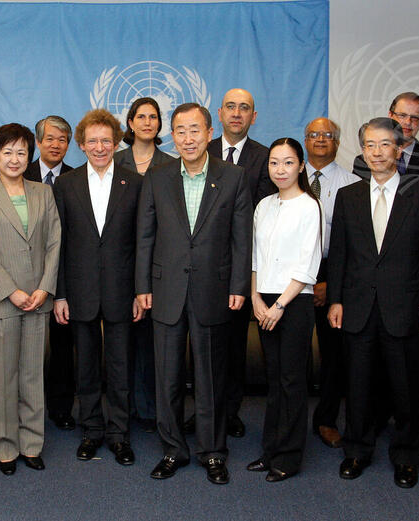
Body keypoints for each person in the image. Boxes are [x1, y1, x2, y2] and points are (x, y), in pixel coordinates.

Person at [136, 103, 252, 485]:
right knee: (167, 377)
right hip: (165, 291)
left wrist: (238, 286)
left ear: (208, 132)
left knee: (210, 379)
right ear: (173, 135)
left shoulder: (233, 177)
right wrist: (142, 287)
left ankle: (213, 452)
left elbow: (241, 238)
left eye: (195, 130)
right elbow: (145, 237)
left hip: (213, 291)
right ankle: (173, 449)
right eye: (180, 131)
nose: (188, 138)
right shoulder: (157, 177)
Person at [328, 117, 419, 488]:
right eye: (369, 145)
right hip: (358, 307)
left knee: (406, 388)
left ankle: (407, 456)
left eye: (384, 145)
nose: (376, 152)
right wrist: (335, 301)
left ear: (398, 149)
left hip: (406, 308)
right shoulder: (348, 197)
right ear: (362, 150)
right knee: (358, 385)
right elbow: (340, 257)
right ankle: (357, 451)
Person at [0, 123, 61, 475]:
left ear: (30, 154)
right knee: (4, 378)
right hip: (1, 301)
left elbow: (54, 243)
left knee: (32, 376)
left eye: (21, 151)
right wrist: (13, 291)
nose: (15, 158)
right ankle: (5, 447)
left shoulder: (43, 193)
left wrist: (43, 288)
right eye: (7, 152)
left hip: (38, 300)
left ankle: (31, 444)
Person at [53, 109, 144, 466]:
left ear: (117, 141)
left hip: (123, 291)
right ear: (81, 144)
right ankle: (91, 431)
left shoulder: (135, 182)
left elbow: (142, 241)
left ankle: (119, 435)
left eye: (106, 140)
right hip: (79, 291)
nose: (100, 147)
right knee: (87, 368)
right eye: (92, 141)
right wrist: (60, 293)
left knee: (120, 367)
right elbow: (57, 244)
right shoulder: (66, 184)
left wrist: (140, 290)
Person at [184, 88, 272, 439]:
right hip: (196, 270)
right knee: (197, 352)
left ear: (254, 116)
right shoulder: (198, 151)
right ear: (218, 115)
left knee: (232, 348)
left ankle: (228, 412)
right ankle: (202, 412)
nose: (237, 113)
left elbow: (262, 218)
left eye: (245, 108)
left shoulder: (266, 157)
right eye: (231, 107)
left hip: (236, 268)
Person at [247, 138, 324, 483]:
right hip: (264, 300)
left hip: (294, 303)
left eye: (288, 163)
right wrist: (256, 299)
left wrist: (279, 304)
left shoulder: (310, 206)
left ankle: (289, 457)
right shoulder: (263, 205)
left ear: (301, 166)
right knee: (274, 382)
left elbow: (308, 263)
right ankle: (270, 451)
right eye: (274, 163)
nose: (280, 169)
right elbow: (255, 258)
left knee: (292, 381)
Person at [114, 97, 174, 434]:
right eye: (141, 116)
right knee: (123, 338)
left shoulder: (170, 163)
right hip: (120, 259)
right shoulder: (115, 160)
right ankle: (124, 408)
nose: (148, 122)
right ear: (131, 122)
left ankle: (149, 408)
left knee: (151, 340)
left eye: (153, 117)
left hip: (157, 261)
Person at [304, 118, 360, 449]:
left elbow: (356, 244)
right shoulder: (287, 177)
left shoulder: (353, 184)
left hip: (333, 272)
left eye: (328, 135)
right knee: (291, 358)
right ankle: (290, 420)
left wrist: (332, 284)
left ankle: (325, 419)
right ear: (305, 140)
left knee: (334, 356)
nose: (321, 139)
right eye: (314, 135)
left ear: (337, 143)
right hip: (292, 276)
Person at [24, 115, 77, 431]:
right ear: (38, 142)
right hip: (25, 276)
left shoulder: (76, 177)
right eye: (50, 139)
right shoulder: (20, 172)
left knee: (62, 347)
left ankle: (61, 408)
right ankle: (25, 408)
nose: (56, 145)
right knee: (25, 349)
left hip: (64, 277)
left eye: (63, 140)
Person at [352, 92, 419, 237]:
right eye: (402, 115)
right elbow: (356, 209)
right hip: (371, 251)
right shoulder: (364, 161)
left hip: (417, 254)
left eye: (415, 118)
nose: (408, 122)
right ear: (390, 115)